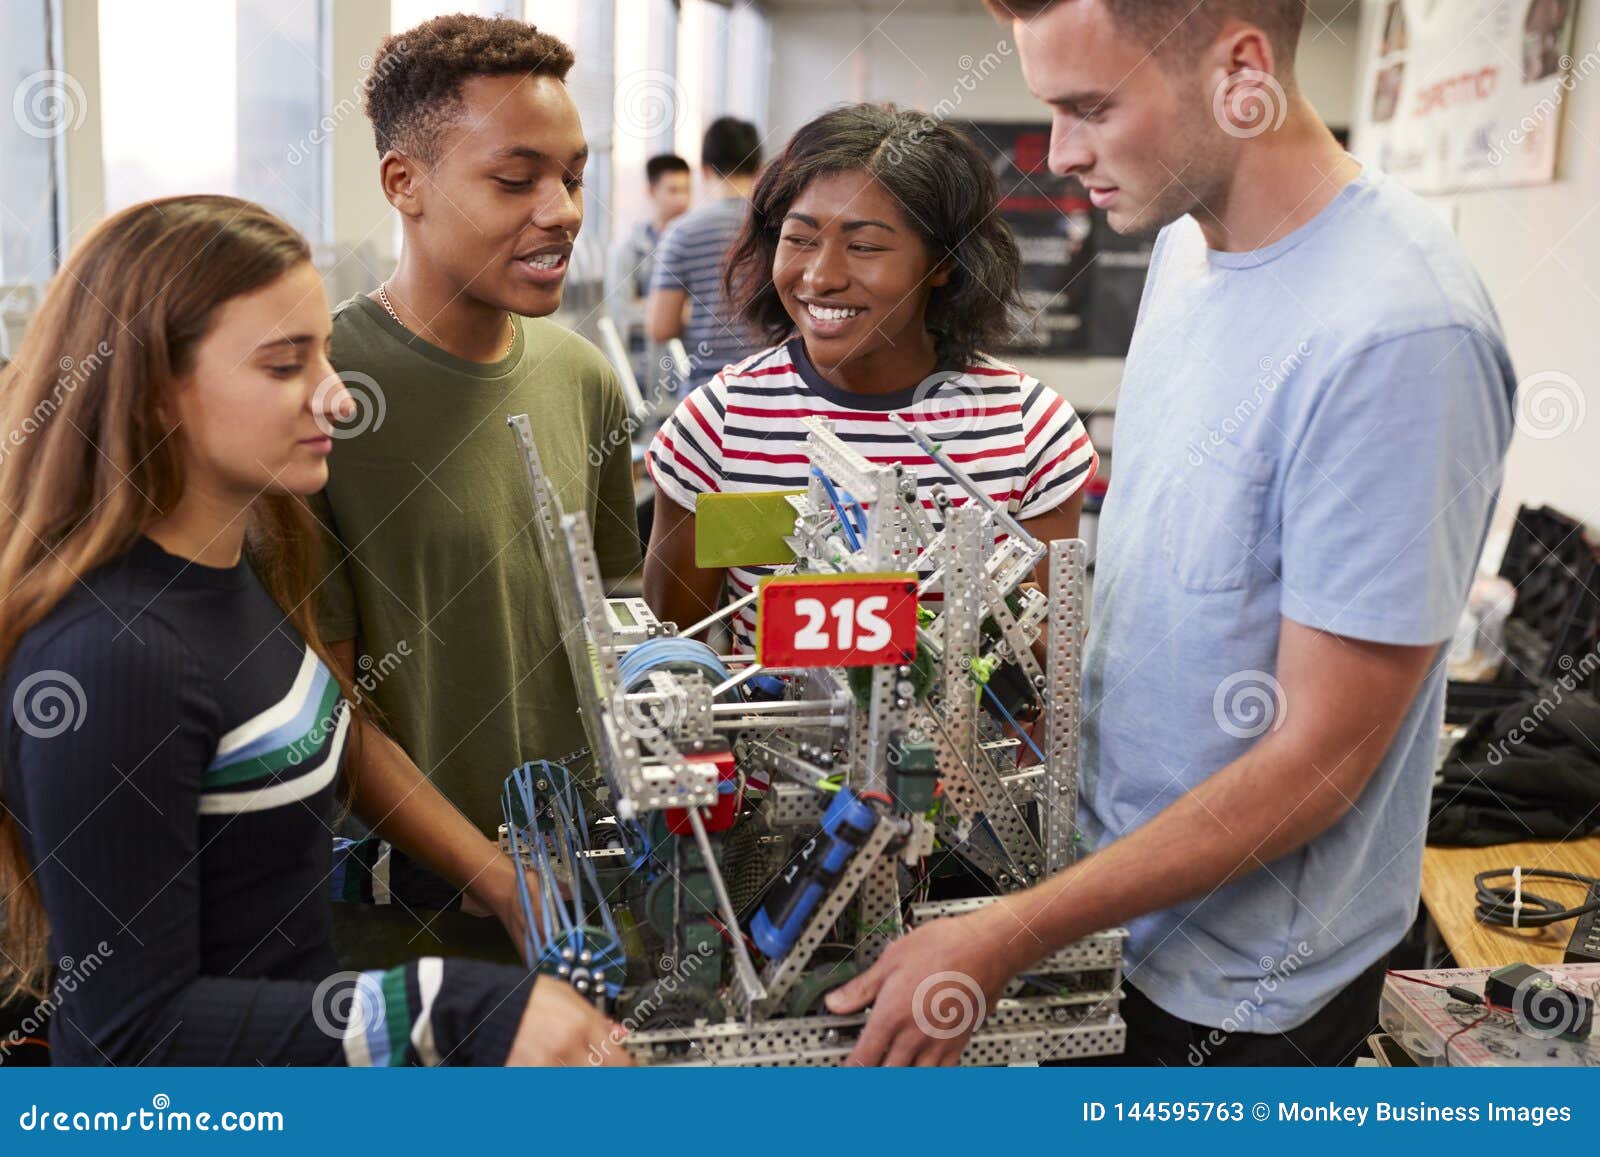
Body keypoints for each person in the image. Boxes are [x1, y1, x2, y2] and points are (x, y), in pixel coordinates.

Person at [828, 0, 1516, 1067]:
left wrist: (1010, 931)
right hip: (1114, 912)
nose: (1059, 154)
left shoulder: (1398, 333)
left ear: (1241, 67)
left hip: (1244, 999)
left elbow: (1319, 760)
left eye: (1089, 107)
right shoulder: (1187, 250)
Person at [0, 195, 627, 1066]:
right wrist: (443, 1006)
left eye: (324, 354)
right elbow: (130, 1038)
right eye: (284, 365)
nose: (335, 396)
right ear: (153, 396)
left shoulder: (245, 567)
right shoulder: (115, 658)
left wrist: (492, 878)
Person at [308, 14, 641, 854]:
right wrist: (492, 878)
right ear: (404, 183)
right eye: (515, 180)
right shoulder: (322, 391)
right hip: (402, 908)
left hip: (589, 874)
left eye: (572, 177)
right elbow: (329, 710)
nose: (561, 211)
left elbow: (615, 623)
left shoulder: (584, 377)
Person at [643, 103, 1096, 643]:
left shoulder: (1032, 432)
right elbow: (673, 657)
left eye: (864, 247)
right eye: (800, 239)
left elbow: (1039, 677)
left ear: (944, 262)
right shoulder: (716, 426)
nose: (821, 276)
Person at [646, 117, 763, 392]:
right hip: (776, 388)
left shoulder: (682, 232)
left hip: (709, 391)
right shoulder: (780, 225)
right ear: (759, 167)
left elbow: (660, 327)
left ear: (705, 169)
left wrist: (703, 312)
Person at [607, 154, 691, 389]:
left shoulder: (693, 244)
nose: (682, 200)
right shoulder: (628, 250)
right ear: (652, 191)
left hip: (686, 365)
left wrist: (651, 304)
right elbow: (622, 310)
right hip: (641, 371)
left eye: (686, 190)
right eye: (673, 190)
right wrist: (677, 309)